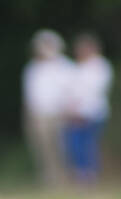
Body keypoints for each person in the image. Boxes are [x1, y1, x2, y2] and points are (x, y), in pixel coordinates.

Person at [22, 29, 74, 187]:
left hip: (60, 115)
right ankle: (50, 181)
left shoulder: (65, 67)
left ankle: (66, 181)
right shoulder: (32, 68)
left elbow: (72, 91)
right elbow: (29, 94)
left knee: (63, 150)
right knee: (43, 150)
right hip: (38, 115)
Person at [65, 34, 112, 184]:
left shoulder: (100, 66)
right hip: (75, 114)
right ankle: (81, 175)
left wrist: (81, 109)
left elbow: (94, 91)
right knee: (75, 146)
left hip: (92, 114)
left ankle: (90, 176)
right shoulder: (78, 67)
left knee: (88, 145)